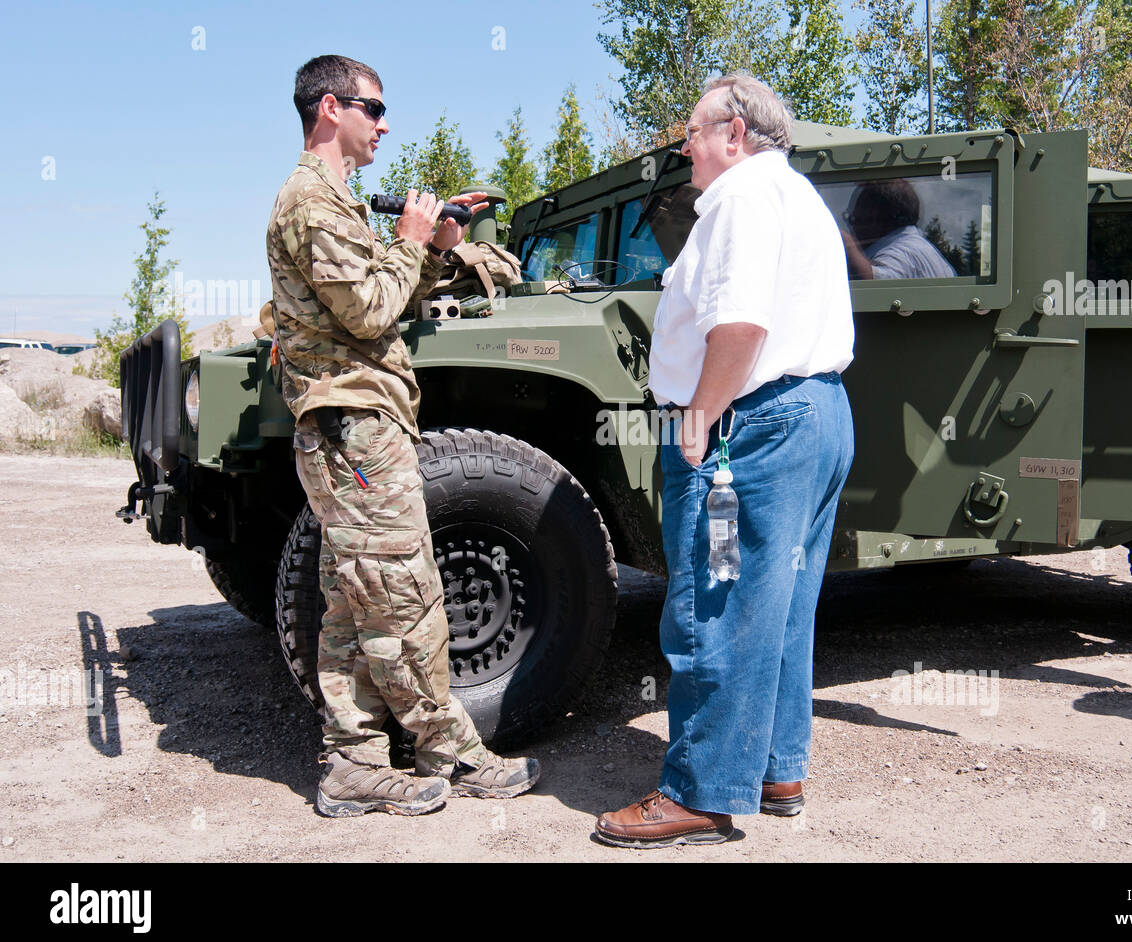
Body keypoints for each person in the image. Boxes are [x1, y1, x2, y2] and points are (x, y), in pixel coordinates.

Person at [266, 54, 539, 817]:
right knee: (407, 593)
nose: (384, 125)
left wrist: (438, 244)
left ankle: (354, 760)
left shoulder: (335, 201)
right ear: (329, 109)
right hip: (353, 429)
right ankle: (452, 749)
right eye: (373, 109)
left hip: (357, 424)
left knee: (355, 600)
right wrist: (414, 239)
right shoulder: (312, 203)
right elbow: (368, 312)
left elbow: (375, 295)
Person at [595, 73, 855, 848]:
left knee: (715, 605)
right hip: (814, 415)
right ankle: (775, 767)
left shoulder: (740, 199)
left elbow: (738, 326)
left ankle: (702, 792)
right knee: (779, 605)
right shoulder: (798, 197)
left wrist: (700, 418)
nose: (685, 145)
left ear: (734, 133)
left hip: (749, 428)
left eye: (695, 131)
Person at [842, 178, 957, 280]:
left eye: (855, 220)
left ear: (876, 219)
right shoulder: (920, 248)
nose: (853, 228)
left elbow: (872, 284)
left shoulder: (902, 252)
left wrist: (846, 243)